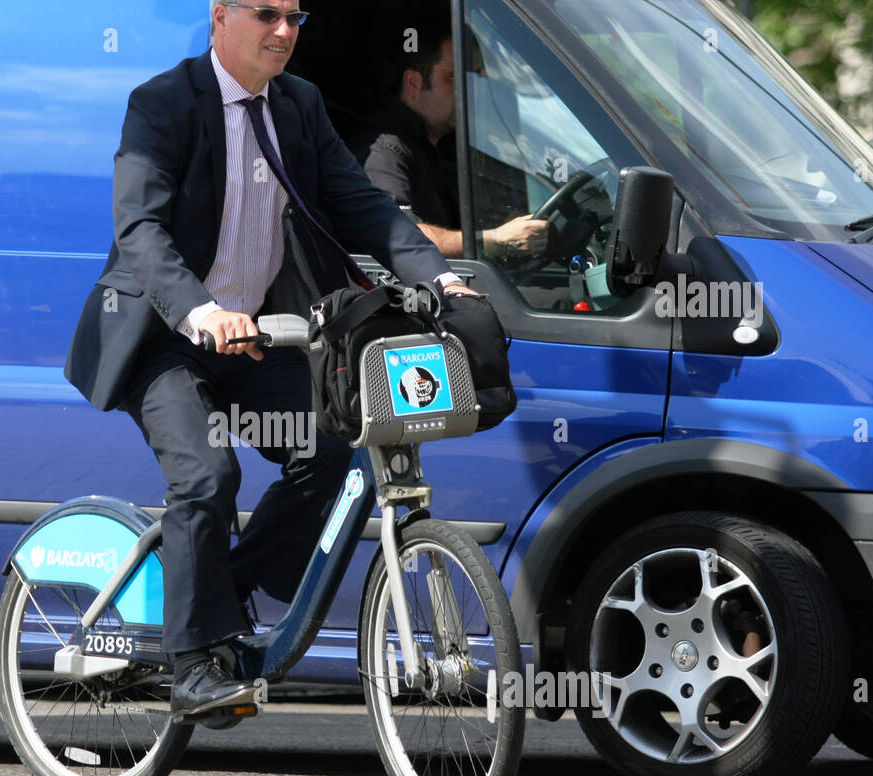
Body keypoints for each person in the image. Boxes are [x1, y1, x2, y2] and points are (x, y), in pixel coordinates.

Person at [64, 0, 478, 716]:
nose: (284, 31)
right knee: (207, 473)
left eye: (296, 16)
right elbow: (142, 231)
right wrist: (200, 311)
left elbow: (364, 206)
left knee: (333, 449)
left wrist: (436, 276)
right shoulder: (163, 103)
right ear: (221, 17)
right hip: (164, 336)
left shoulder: (298, 104)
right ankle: (192, 660)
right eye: (266, 14)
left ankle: (217, 598)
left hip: (248, 337)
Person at [354, 16, 547, 260]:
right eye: (453, 77)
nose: (469, 89)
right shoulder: (384, 152)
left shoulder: (448, 147)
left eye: (472, 77)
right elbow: (397, 234)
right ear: (414, 84)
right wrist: (493, 240)